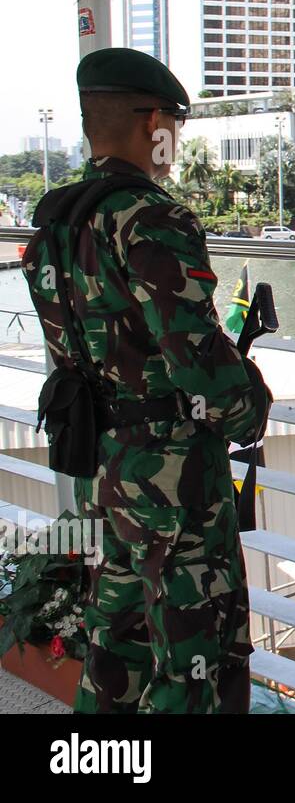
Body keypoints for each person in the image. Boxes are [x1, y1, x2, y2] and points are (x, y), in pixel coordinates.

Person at [21, 47, 272, 713]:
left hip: (106, 464)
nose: (173, 145)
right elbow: (198, 363)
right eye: (175, 129)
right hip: (174, 476)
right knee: (197, 659)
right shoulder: (151, 218)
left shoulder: (55, 223)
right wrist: (251, 405)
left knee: (116, 648)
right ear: (152, 121)